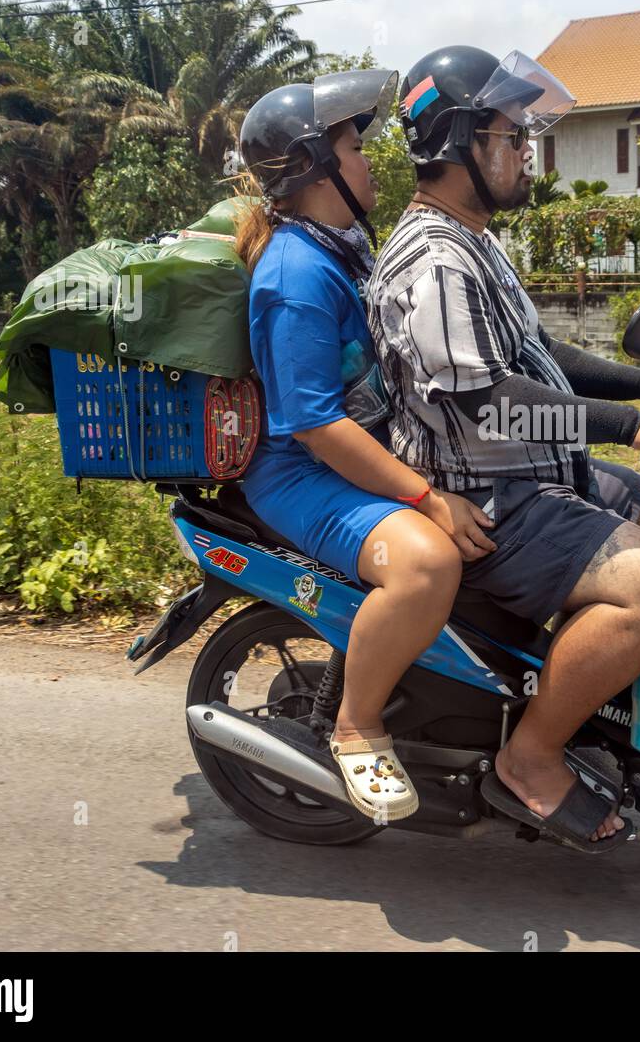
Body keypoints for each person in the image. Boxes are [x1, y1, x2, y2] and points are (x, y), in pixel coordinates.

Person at [365, 47, 640, 852]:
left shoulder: (474, 243)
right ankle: (528, 755)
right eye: (510, 134)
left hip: (529, 472)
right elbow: (490, 406)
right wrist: (633, 430)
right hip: (488, 495)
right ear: (460, 144)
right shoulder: (433, 261)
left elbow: (541, 355)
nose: (526, 150)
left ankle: (572, 683)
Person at [234, 69, 498, 823]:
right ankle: (357, 724)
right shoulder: (294, 273)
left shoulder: (341, 244)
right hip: (302, 471)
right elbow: (316, 425)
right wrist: (425, 496)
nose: (369, 159)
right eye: (354, 146)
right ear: (316, 167)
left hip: (359, 452)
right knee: (426, 563)